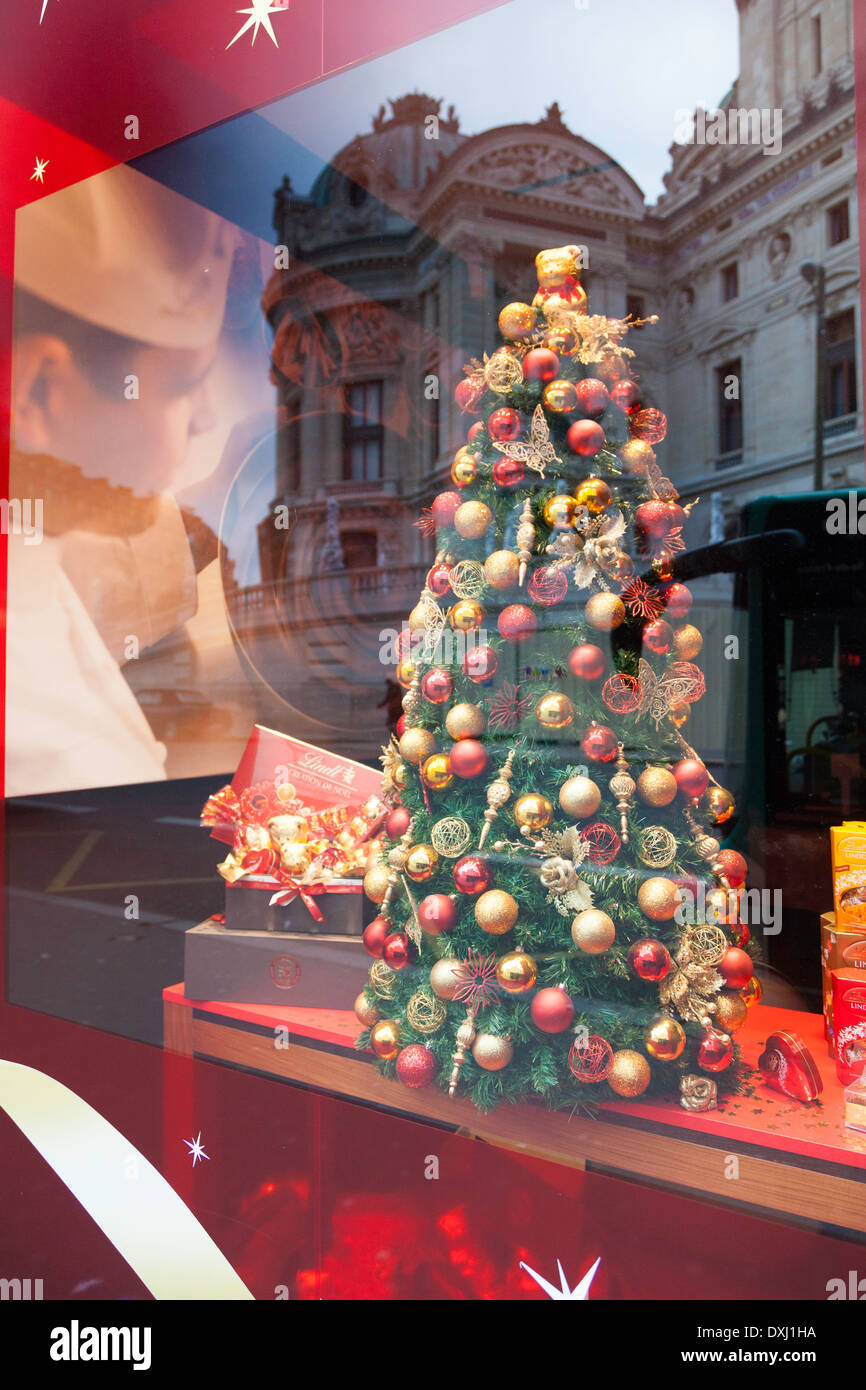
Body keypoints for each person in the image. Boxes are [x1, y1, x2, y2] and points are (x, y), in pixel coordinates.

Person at [8, 164, 236, 795]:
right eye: (187, 385)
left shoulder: (28, 546)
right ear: (42, 390)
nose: (209, 416)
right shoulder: (45, 756)